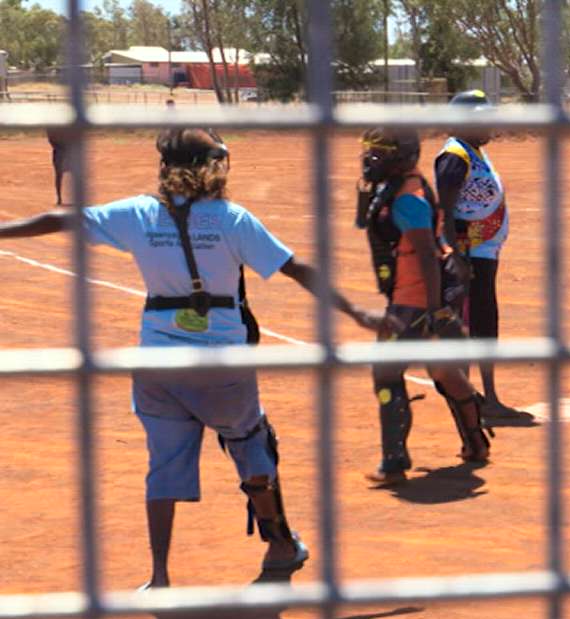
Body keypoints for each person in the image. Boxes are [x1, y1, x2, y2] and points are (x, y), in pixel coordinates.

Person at [0, 128, 383, 588]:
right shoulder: (232, 219)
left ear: (165, 168)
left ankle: (159, 576)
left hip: (158, 367)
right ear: (214, 168)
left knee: (162, 468)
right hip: (221, 365)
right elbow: (296, 269)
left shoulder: (139, 215)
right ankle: (280, 545)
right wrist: (357, 310)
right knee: (251, 443)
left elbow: (57, 219)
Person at [357, 126, 493, 482]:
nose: (371, 158)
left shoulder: (408, 198)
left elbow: (427, 257)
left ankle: (394, 461)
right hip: (417, 295)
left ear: (400, 157)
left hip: (415, 300)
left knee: (385, 373)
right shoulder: (393, 188)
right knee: (445, 371)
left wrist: (433, 312)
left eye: (379, 151)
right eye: (370, 150)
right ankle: (476, 442)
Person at [435, 89, 528, 421]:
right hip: (467, 255)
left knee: (485, 322)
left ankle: (487, 398)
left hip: (482, 253)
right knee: (468, 325)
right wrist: (455, 256)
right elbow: (443, 210)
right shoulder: (454, 156)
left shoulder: (472, 151)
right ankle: (472, 403)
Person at [47, 127, 71, 206]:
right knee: (59, 175)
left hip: (68, 152)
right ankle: (59, 198)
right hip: (59, 153)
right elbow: (51, 140)